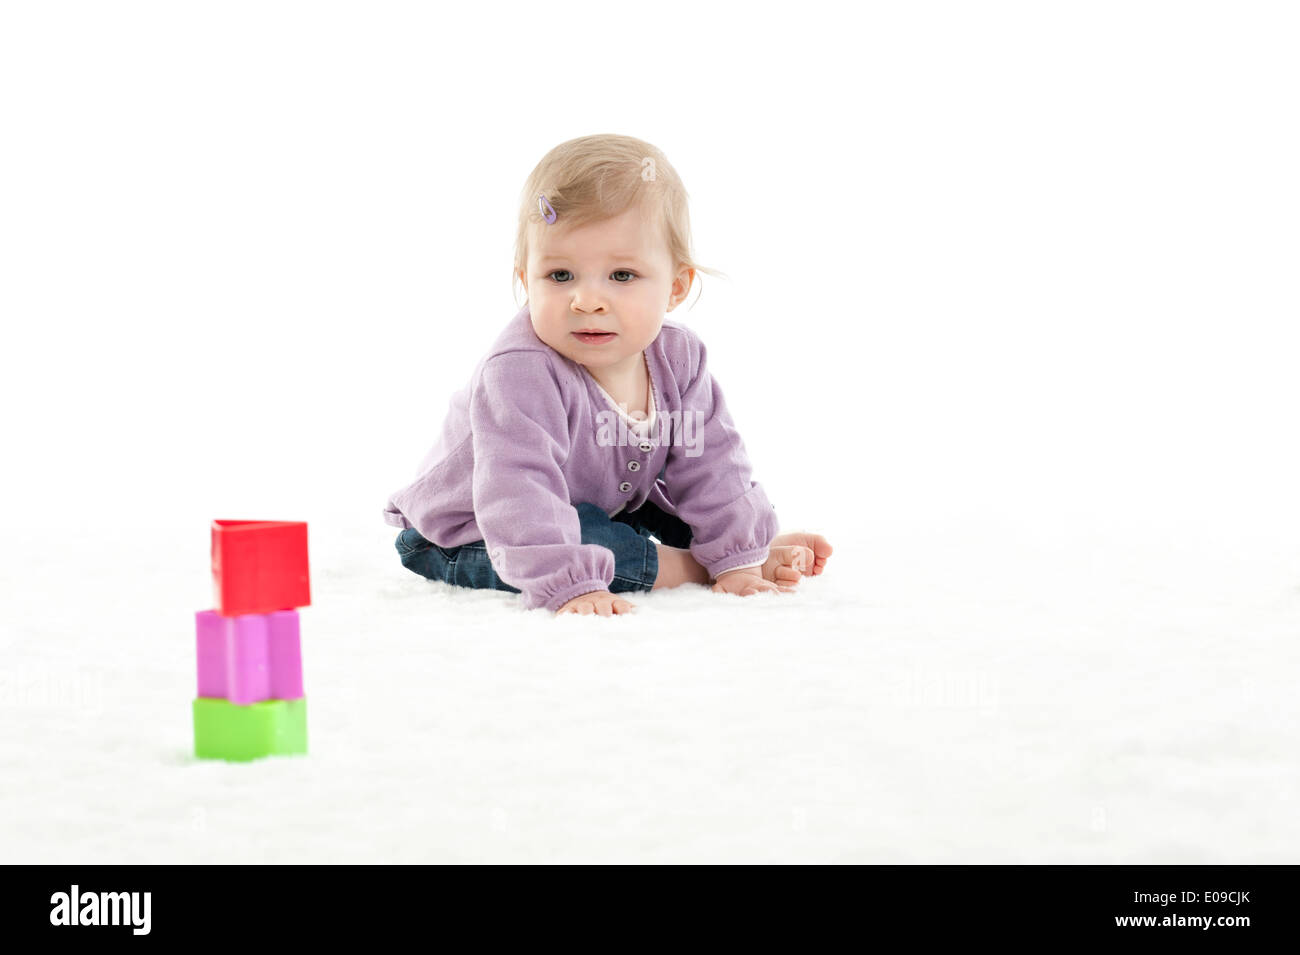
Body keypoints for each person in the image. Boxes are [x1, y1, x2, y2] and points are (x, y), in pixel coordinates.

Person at [382, 134, 831, 616]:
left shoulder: (678, 359)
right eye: (559, 276)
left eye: (621, 276)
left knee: (674, 499)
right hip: (474, 531)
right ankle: (689, 569)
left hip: (595, 500)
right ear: (524, 280)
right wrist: (571, 584)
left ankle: (741, 555)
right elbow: (521, 494)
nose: (587, 300)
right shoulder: (520, 372)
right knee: (592, 539)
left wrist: (737, 554)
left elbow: (713, 465)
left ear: (676, 286)